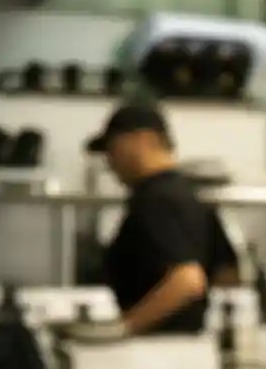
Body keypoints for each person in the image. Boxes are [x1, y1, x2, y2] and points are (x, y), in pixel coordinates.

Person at [75, 102, 239, 339]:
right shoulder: (190, 195)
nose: (110, 162)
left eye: (112, 148)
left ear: (141, 140)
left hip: (157, 351)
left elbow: (188, 280)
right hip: (189, 350)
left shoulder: (154, 198)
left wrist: (124, 327)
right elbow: (227, 273)